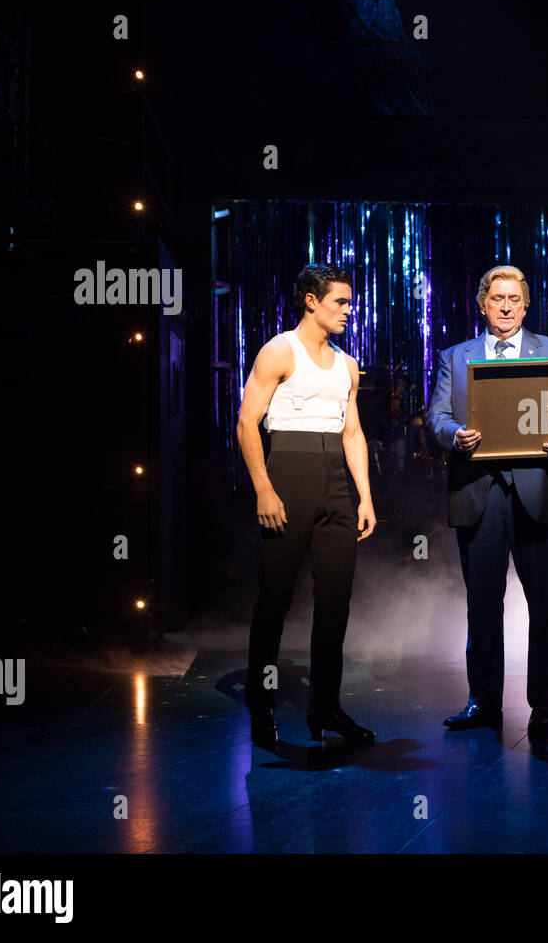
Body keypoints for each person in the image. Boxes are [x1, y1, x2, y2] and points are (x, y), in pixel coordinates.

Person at [426, 264, 548, 738]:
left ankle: (544, 707)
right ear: (482, 304)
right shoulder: (455, 357)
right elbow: (435, 415)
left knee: (544, 603)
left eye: (514, 299)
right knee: (483, 604)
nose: (505, 307)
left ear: (526, 303)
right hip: (478, 491)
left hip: (537, 491)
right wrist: (455, 435)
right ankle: (484, 703)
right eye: (497, 298)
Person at [236, 263, 377, 752]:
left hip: (335, 482)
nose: (348, 310)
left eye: (349, 302)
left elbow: (352, 432)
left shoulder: (347, 363)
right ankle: (261, 703)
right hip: (288, 477)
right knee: (275, 599)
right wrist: (264, 488)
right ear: (311, 301)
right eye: (340, 301)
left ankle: (326, 707)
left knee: (335, 601)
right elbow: (247, 422)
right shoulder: (280, 350)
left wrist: (364, 495)